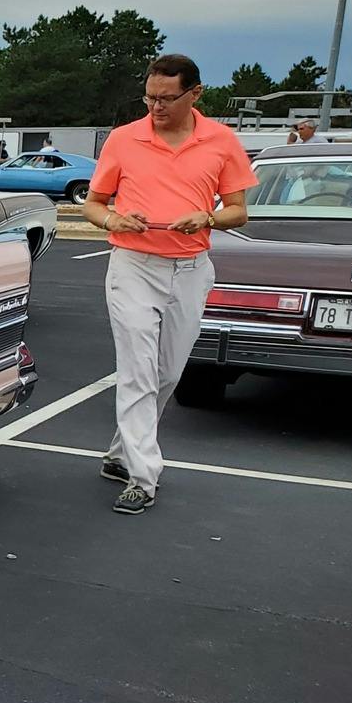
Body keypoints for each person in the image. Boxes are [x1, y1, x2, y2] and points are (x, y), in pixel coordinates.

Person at [82, 53, 256, 515]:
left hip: (191, 268)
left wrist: (209, 216)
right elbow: (94, 204)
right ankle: (144, 475)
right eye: (150, 97)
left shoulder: (221, 141)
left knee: (168, 373)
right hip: (133, 266)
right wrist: (115, 218)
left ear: (194, 94)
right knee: (138, 369)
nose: (155, 107)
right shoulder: (124, 139)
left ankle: (122, 455)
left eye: (166, 98)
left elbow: (239, 210)